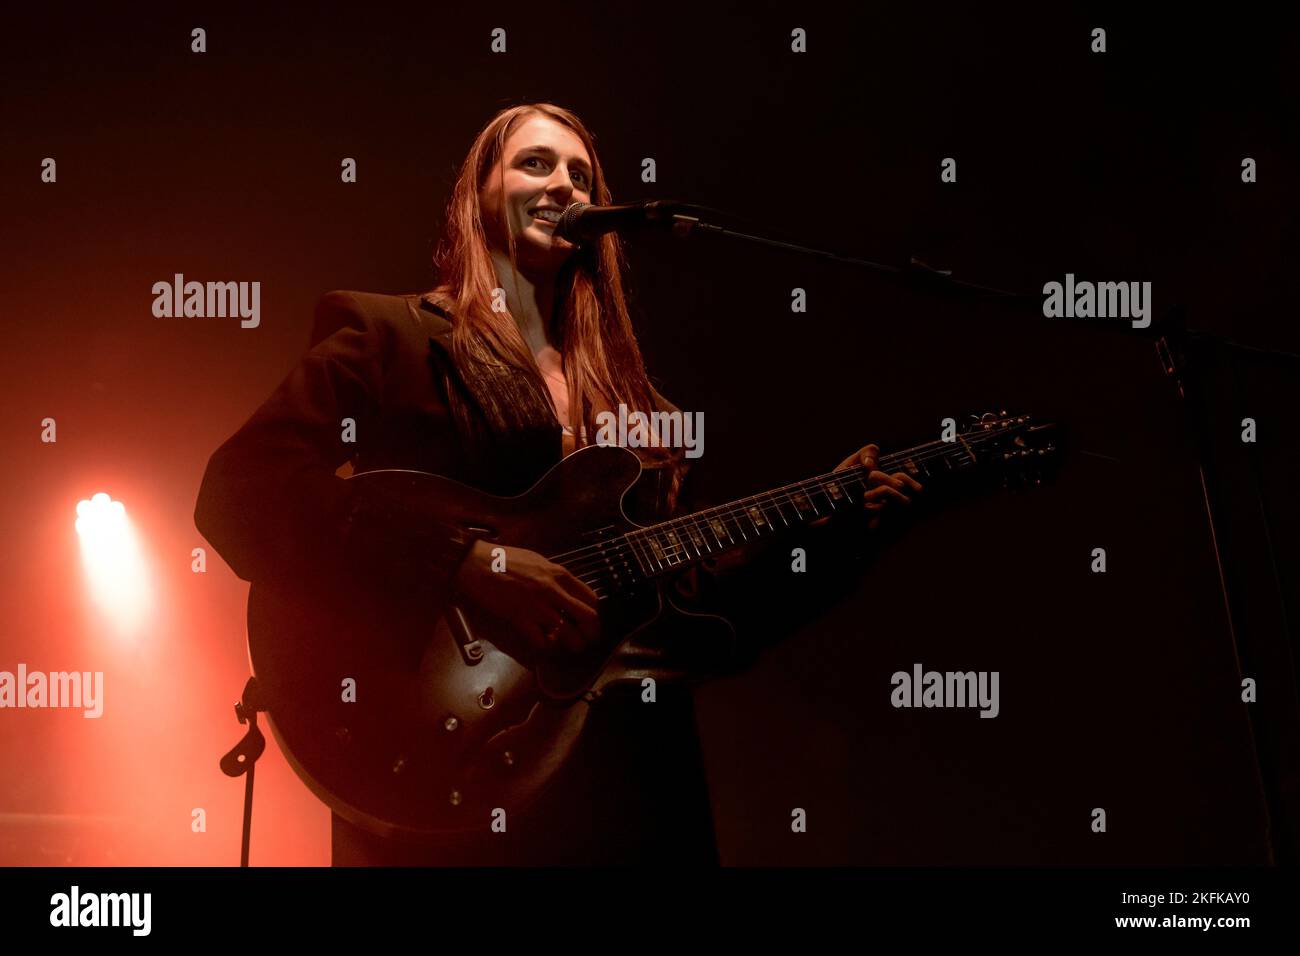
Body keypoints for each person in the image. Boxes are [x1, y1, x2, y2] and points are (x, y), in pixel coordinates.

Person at [193, 102, 922, 866]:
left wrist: (834, 541)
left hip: (628, 775)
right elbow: (244, 490)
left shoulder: (647, 415)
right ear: (477, 195)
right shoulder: (389, 338)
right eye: (536, 163)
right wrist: (467, 565)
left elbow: (701, 615)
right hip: (447, 763)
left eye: (583, 173)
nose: (566, 185)